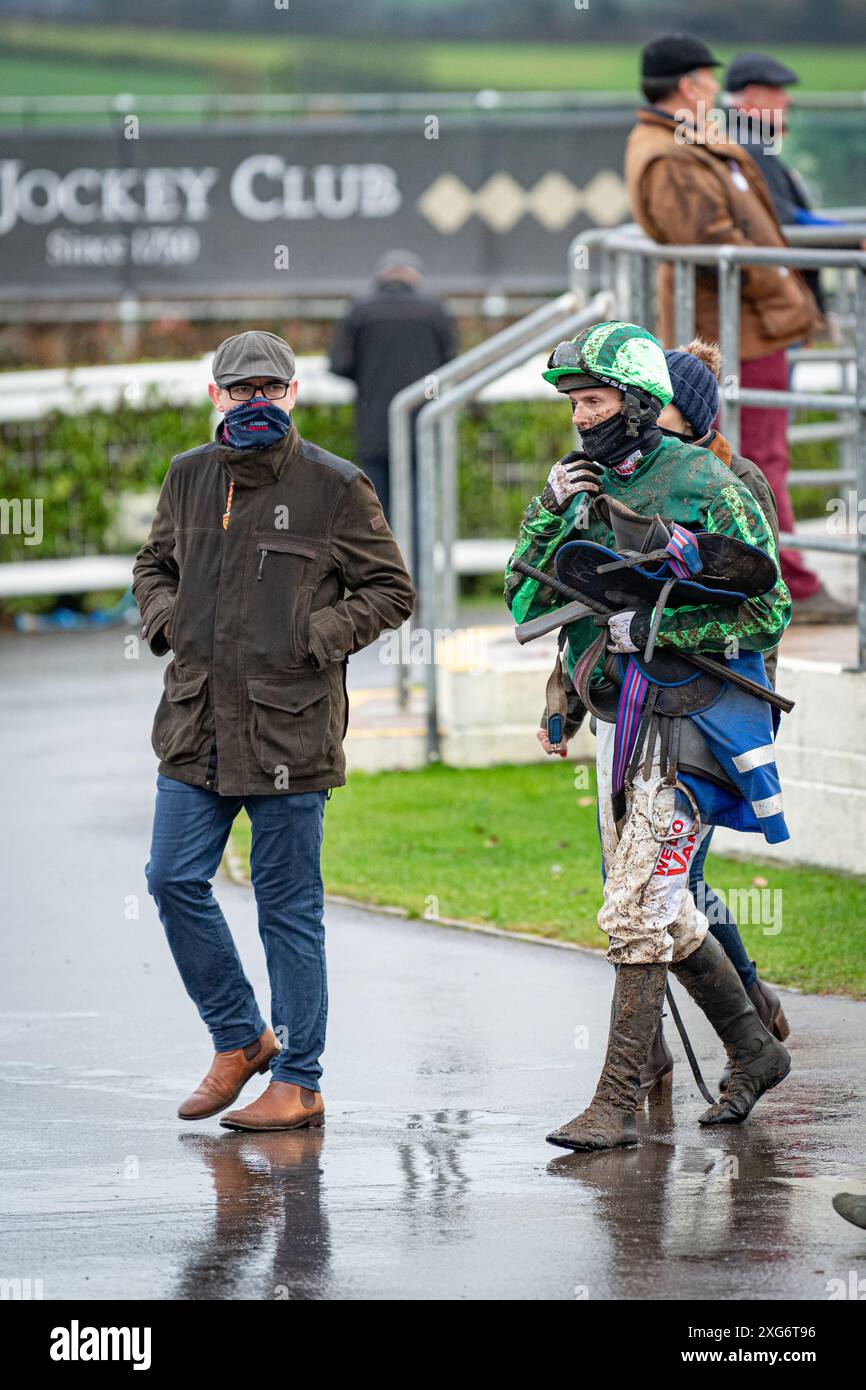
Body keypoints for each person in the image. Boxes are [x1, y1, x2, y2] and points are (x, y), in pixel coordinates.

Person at [506, 319, 792, 1152]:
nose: (579, 418)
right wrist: (548, 512)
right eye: (573, 404)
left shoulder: (711, 482)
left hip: (700, 723)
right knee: (660, 903)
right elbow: (530, 607)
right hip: (625, 722)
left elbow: (768, 607)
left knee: (636, 901)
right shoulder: (583, 490)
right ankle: (753, 1048)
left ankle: (617, 1101)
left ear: (636, 403)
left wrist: (659, 631)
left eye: (592, 401)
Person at [132, 330, 415, 1133]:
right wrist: (168, 622)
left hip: (290, 732)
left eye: (270, 389)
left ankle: (299, 1077)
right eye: (239, 390)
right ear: (215, 396)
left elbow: (391, 591)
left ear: (293, 395)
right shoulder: (188, 476)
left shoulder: (336, 485)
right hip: (193, 725)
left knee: (287, 907)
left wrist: (310, 637)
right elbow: (153, 567)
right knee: (170, 878)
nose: (255, 403)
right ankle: (239, 1038)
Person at [625, 33, 853, 625]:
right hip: (737, 327)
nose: (713, 91)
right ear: (687, 86)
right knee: (754, 458)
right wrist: (778, 284)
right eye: (706, 79)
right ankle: (778, 581)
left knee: (748, 455)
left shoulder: (679, 143)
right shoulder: (672, 152)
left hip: (741, 324)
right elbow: (714, 244)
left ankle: (765, 575)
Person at [328, 249, 456, 551]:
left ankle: (385, 588)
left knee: (375, 515)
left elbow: (338, 364)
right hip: (423, 432)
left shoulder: (360, 309)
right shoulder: (434, 310)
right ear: (414, 276)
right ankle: (418, 585)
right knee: (421, 515)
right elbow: (452, 364)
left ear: (381, 276)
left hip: (375, 431)